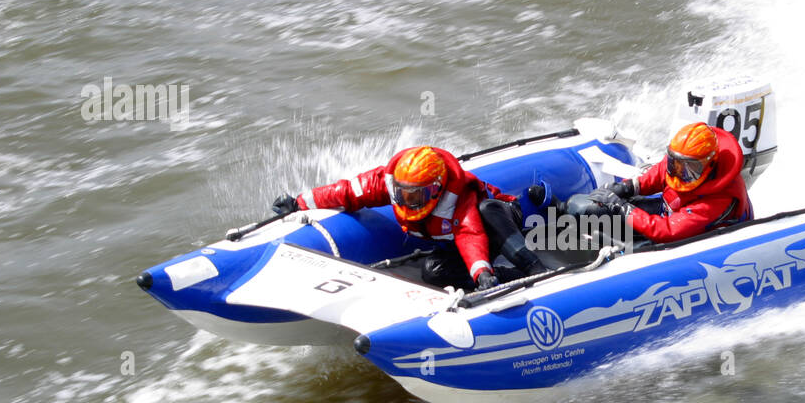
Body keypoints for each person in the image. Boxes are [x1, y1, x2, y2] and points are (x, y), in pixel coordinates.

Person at [271, 145, 542, 291]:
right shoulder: (387, 182)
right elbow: (346, 192)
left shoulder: (458, 197)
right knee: (433, 273)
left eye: (416, 195)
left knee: (486, 210)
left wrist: (481, 270)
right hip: (454, 244)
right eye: (403, 193)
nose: (407, 201)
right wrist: (298, 202)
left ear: (436, 189)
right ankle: (506, 276)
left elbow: (470, 235)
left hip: (502, 222)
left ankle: (535, 270)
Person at [596, 122, 753, 242]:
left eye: (689, 168)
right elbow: (661, 171)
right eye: (675, 163)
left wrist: (622, 208)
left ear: (709, 165)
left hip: (697, 237)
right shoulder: (682, 159)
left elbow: (667, 231)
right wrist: (627, 187)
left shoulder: (720, 199)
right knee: (593, 211)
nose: (679, 172)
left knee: (627, 241)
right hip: (671, 215)